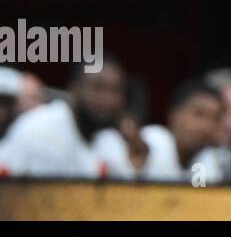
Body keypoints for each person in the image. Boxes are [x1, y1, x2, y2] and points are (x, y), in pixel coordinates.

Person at [0, 57, 132, 179]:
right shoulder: (39, 129)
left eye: (115, 90)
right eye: (98, 88)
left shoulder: (111, 141)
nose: (107, 99)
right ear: (74, 89)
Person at [138, 79, 226, 184]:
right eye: (199, 114)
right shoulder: (151, 141)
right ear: (174, 114)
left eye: (215, 118)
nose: (207, 126)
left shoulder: (209, 158)